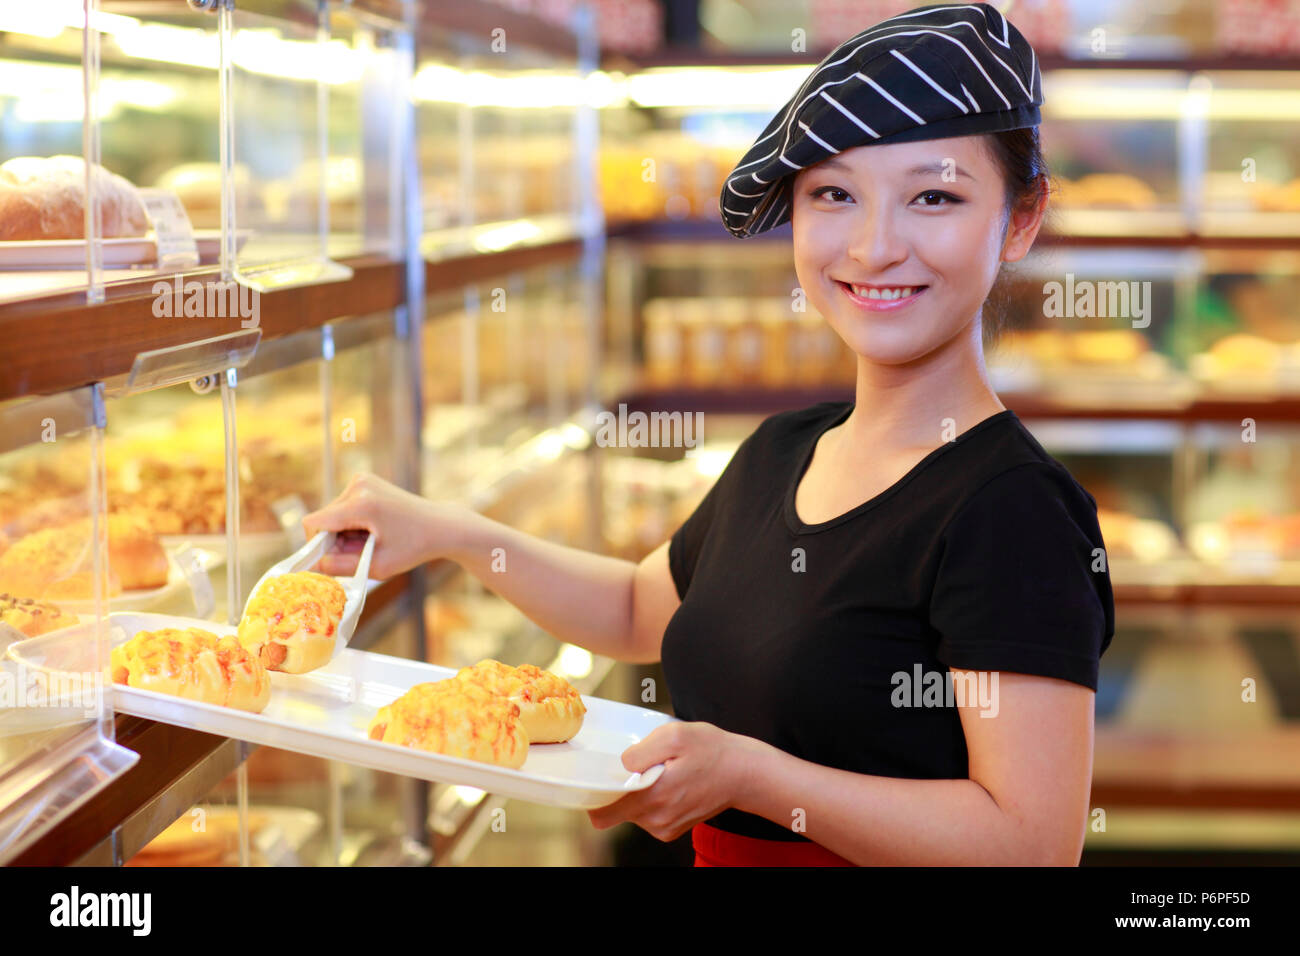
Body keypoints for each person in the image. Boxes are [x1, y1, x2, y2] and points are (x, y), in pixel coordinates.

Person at [303, 2, 1115, 866]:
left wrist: (755, 779)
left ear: (1019, 221)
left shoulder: (1010, 513)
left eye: (935, 197)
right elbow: (634, 611)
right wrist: (445, 533)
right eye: (835, 194)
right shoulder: (783, 450)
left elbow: (1030, 845)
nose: (876, 247)